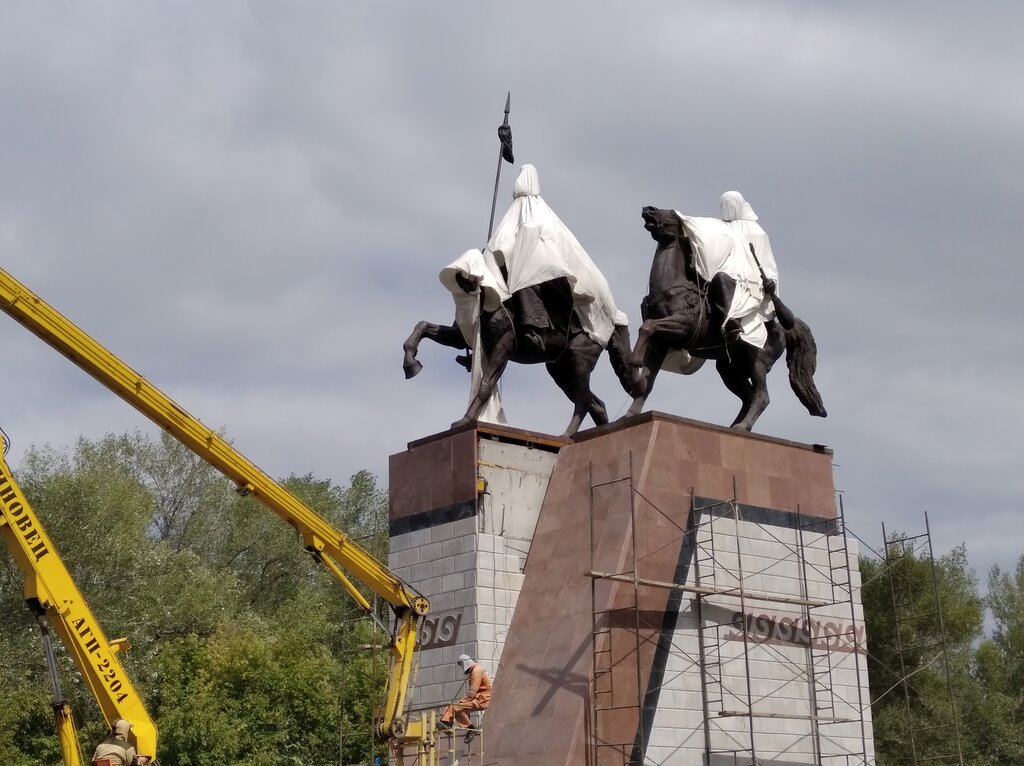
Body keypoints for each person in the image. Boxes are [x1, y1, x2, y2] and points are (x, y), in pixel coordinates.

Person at [486, 164, 626, 352]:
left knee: (526, 277)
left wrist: (524, 256)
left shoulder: (539, 214)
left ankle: (533, 326)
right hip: (524, 268)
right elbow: (503, 243)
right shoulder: (514, 215)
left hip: (551, 276)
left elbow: (546, 248)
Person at [438, 654, 492, 731]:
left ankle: (446, 722)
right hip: (482, 698)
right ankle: (470, 729)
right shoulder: (477, 669)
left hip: (482, 699)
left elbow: (473, 692)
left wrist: (463, 700)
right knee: (458, 709)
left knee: (454, 707)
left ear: (464, 663)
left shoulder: (476, 671)